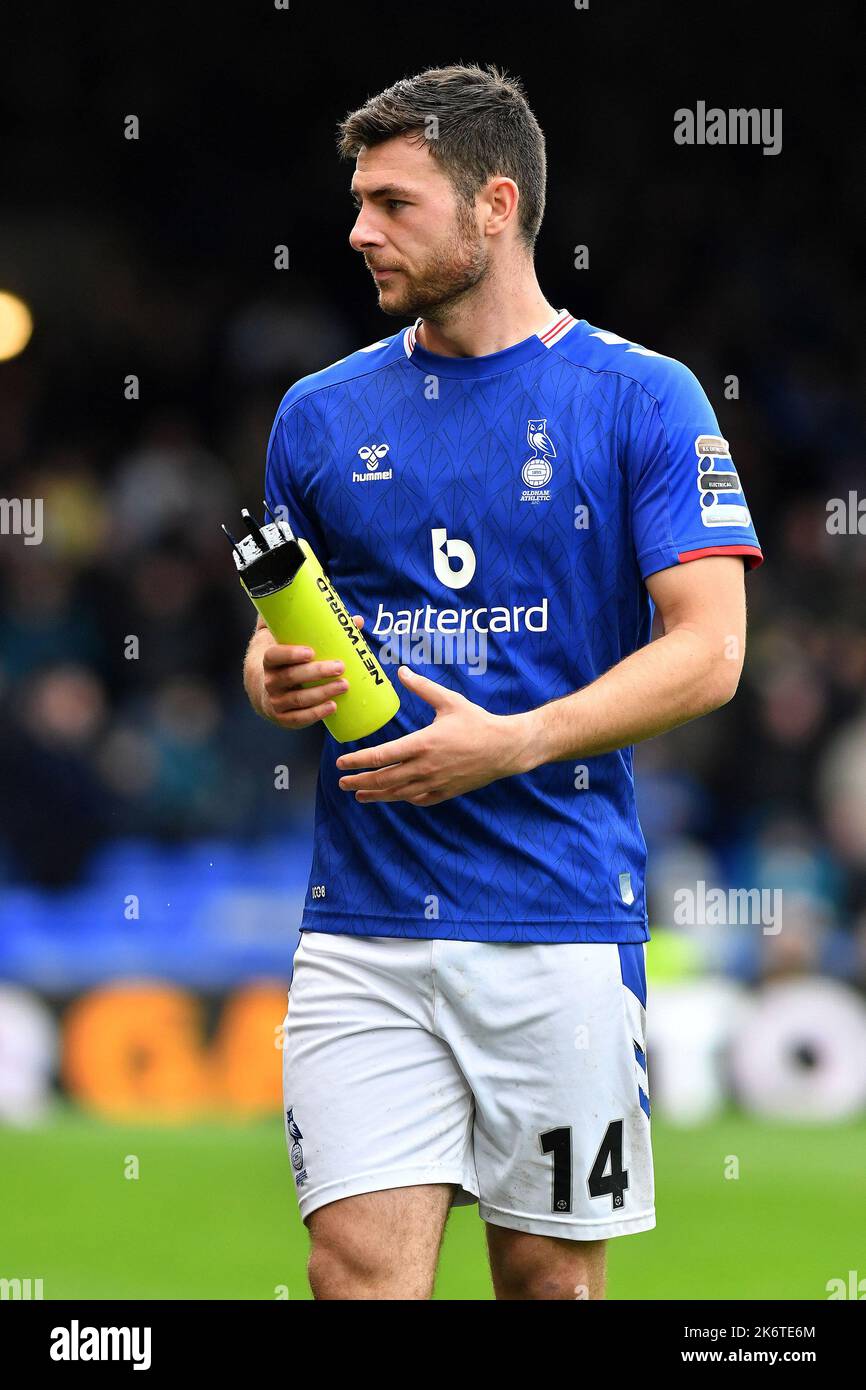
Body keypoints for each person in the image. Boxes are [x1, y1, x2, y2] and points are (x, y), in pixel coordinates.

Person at [243, 64, 763, 1300]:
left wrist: (513, 741)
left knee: (544, 1283)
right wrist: (271, 670)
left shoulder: (642, 397)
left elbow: (711, 648)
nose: (357, 229)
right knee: (353, 1274)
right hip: (361, 926)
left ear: (492, 205)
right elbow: (282, 632)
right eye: (357, 200)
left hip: (558, 920)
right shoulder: (316, 416)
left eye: (391, 202)